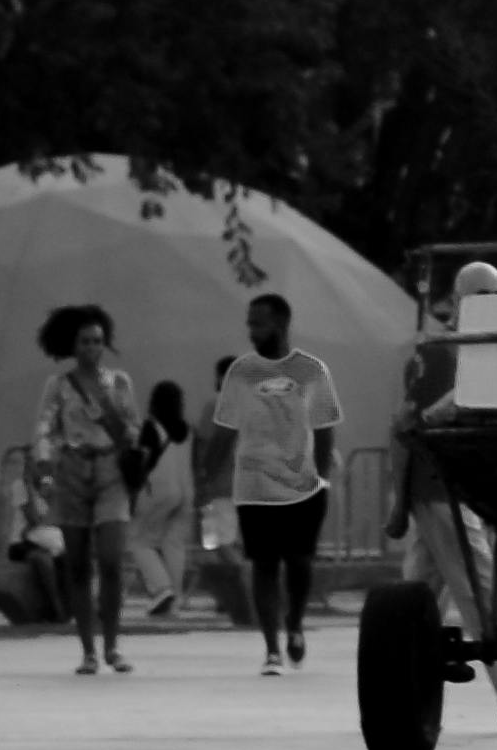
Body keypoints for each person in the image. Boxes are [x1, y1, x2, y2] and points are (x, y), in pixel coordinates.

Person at [396, 260, 497, 731]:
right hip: (442, 486)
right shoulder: (443, 354)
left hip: (454, 488)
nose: (493, 307)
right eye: (484, 297)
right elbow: (408, 425)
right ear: (460, 300)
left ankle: (406, 674)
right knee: (480, 587)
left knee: (419, 590)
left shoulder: (477, 352)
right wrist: (396, 501)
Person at [214, 290, 339, 678]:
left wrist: (319, 477)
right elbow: (224, 429)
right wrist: (207, 474)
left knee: (299, 563)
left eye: (259, 323)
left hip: (302, 487)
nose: (252, 331)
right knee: (264, 565)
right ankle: (271, 649)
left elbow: (325, 427)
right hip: (254, 488)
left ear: (281, 325)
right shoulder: (241, 372)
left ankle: (296, 624)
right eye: (250, 323)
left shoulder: (311, 370)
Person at [35, 302, 143, 675]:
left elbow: (132, 428)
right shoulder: (59, 386)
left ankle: (113, 644)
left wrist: (113, 414)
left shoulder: (120, 382)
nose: (91, 348)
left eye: (97, 341)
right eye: (84, 342)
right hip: (73, 470)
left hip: (110, 468)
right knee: (78, 565)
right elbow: (45, 429)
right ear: (72, 345)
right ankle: (88, 650)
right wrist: (44, 465)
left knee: (111, 560)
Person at [126, 378, 197, 618]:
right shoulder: (186, 430)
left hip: (157, 489)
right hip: (185, 490)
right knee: (173, 544)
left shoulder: (151, 427)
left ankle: (161, 588)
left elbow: (142, 459)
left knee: (138, 539)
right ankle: (174, 598)